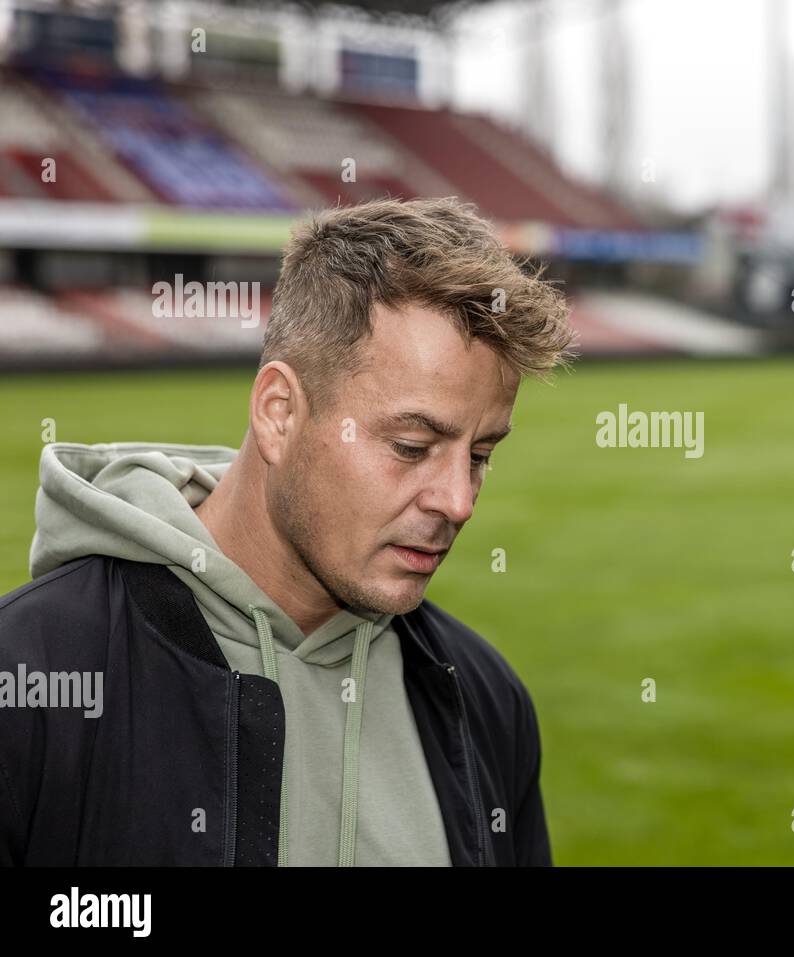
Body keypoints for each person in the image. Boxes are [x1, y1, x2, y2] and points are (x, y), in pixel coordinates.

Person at [0, 197, 574, 866]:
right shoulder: (30, 674)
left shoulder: (485, 700)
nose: (458, 501)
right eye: (413, 445)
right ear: (278, 413)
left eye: (480, 456)